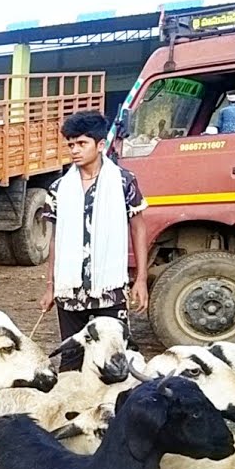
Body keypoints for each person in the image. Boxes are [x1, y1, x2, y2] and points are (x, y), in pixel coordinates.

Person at [39, 110, 150, 371]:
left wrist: (141, 279)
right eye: (71, 145)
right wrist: (51, 285)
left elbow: (138, 228)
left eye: (82, 143)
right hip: (70, 291)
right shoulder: (58, 189)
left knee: (115, 360)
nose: (75, 150)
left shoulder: (124, 181)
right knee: (71, 358)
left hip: (109, 290)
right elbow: (55, 239)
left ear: (100, 145)